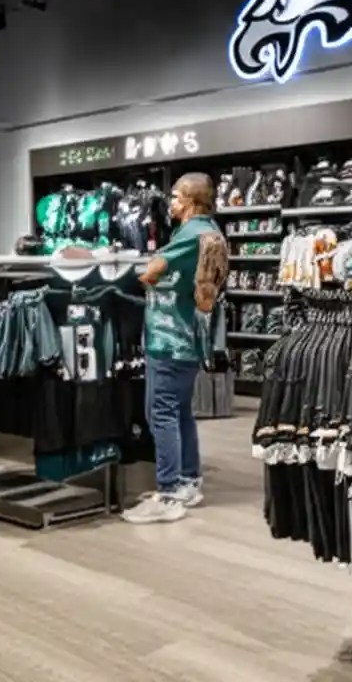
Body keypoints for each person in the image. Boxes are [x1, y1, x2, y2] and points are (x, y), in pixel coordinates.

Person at [123, 172, 228, 524]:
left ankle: (167, 494)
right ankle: (187, 481)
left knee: (161, 413)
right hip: (191, 338)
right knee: (180, 412)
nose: (171, 203)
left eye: (177, 197)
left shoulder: (191, 235)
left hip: (169, 337)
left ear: (192, 201)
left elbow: (151, 271)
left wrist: (135, 272)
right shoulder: (211, 231)